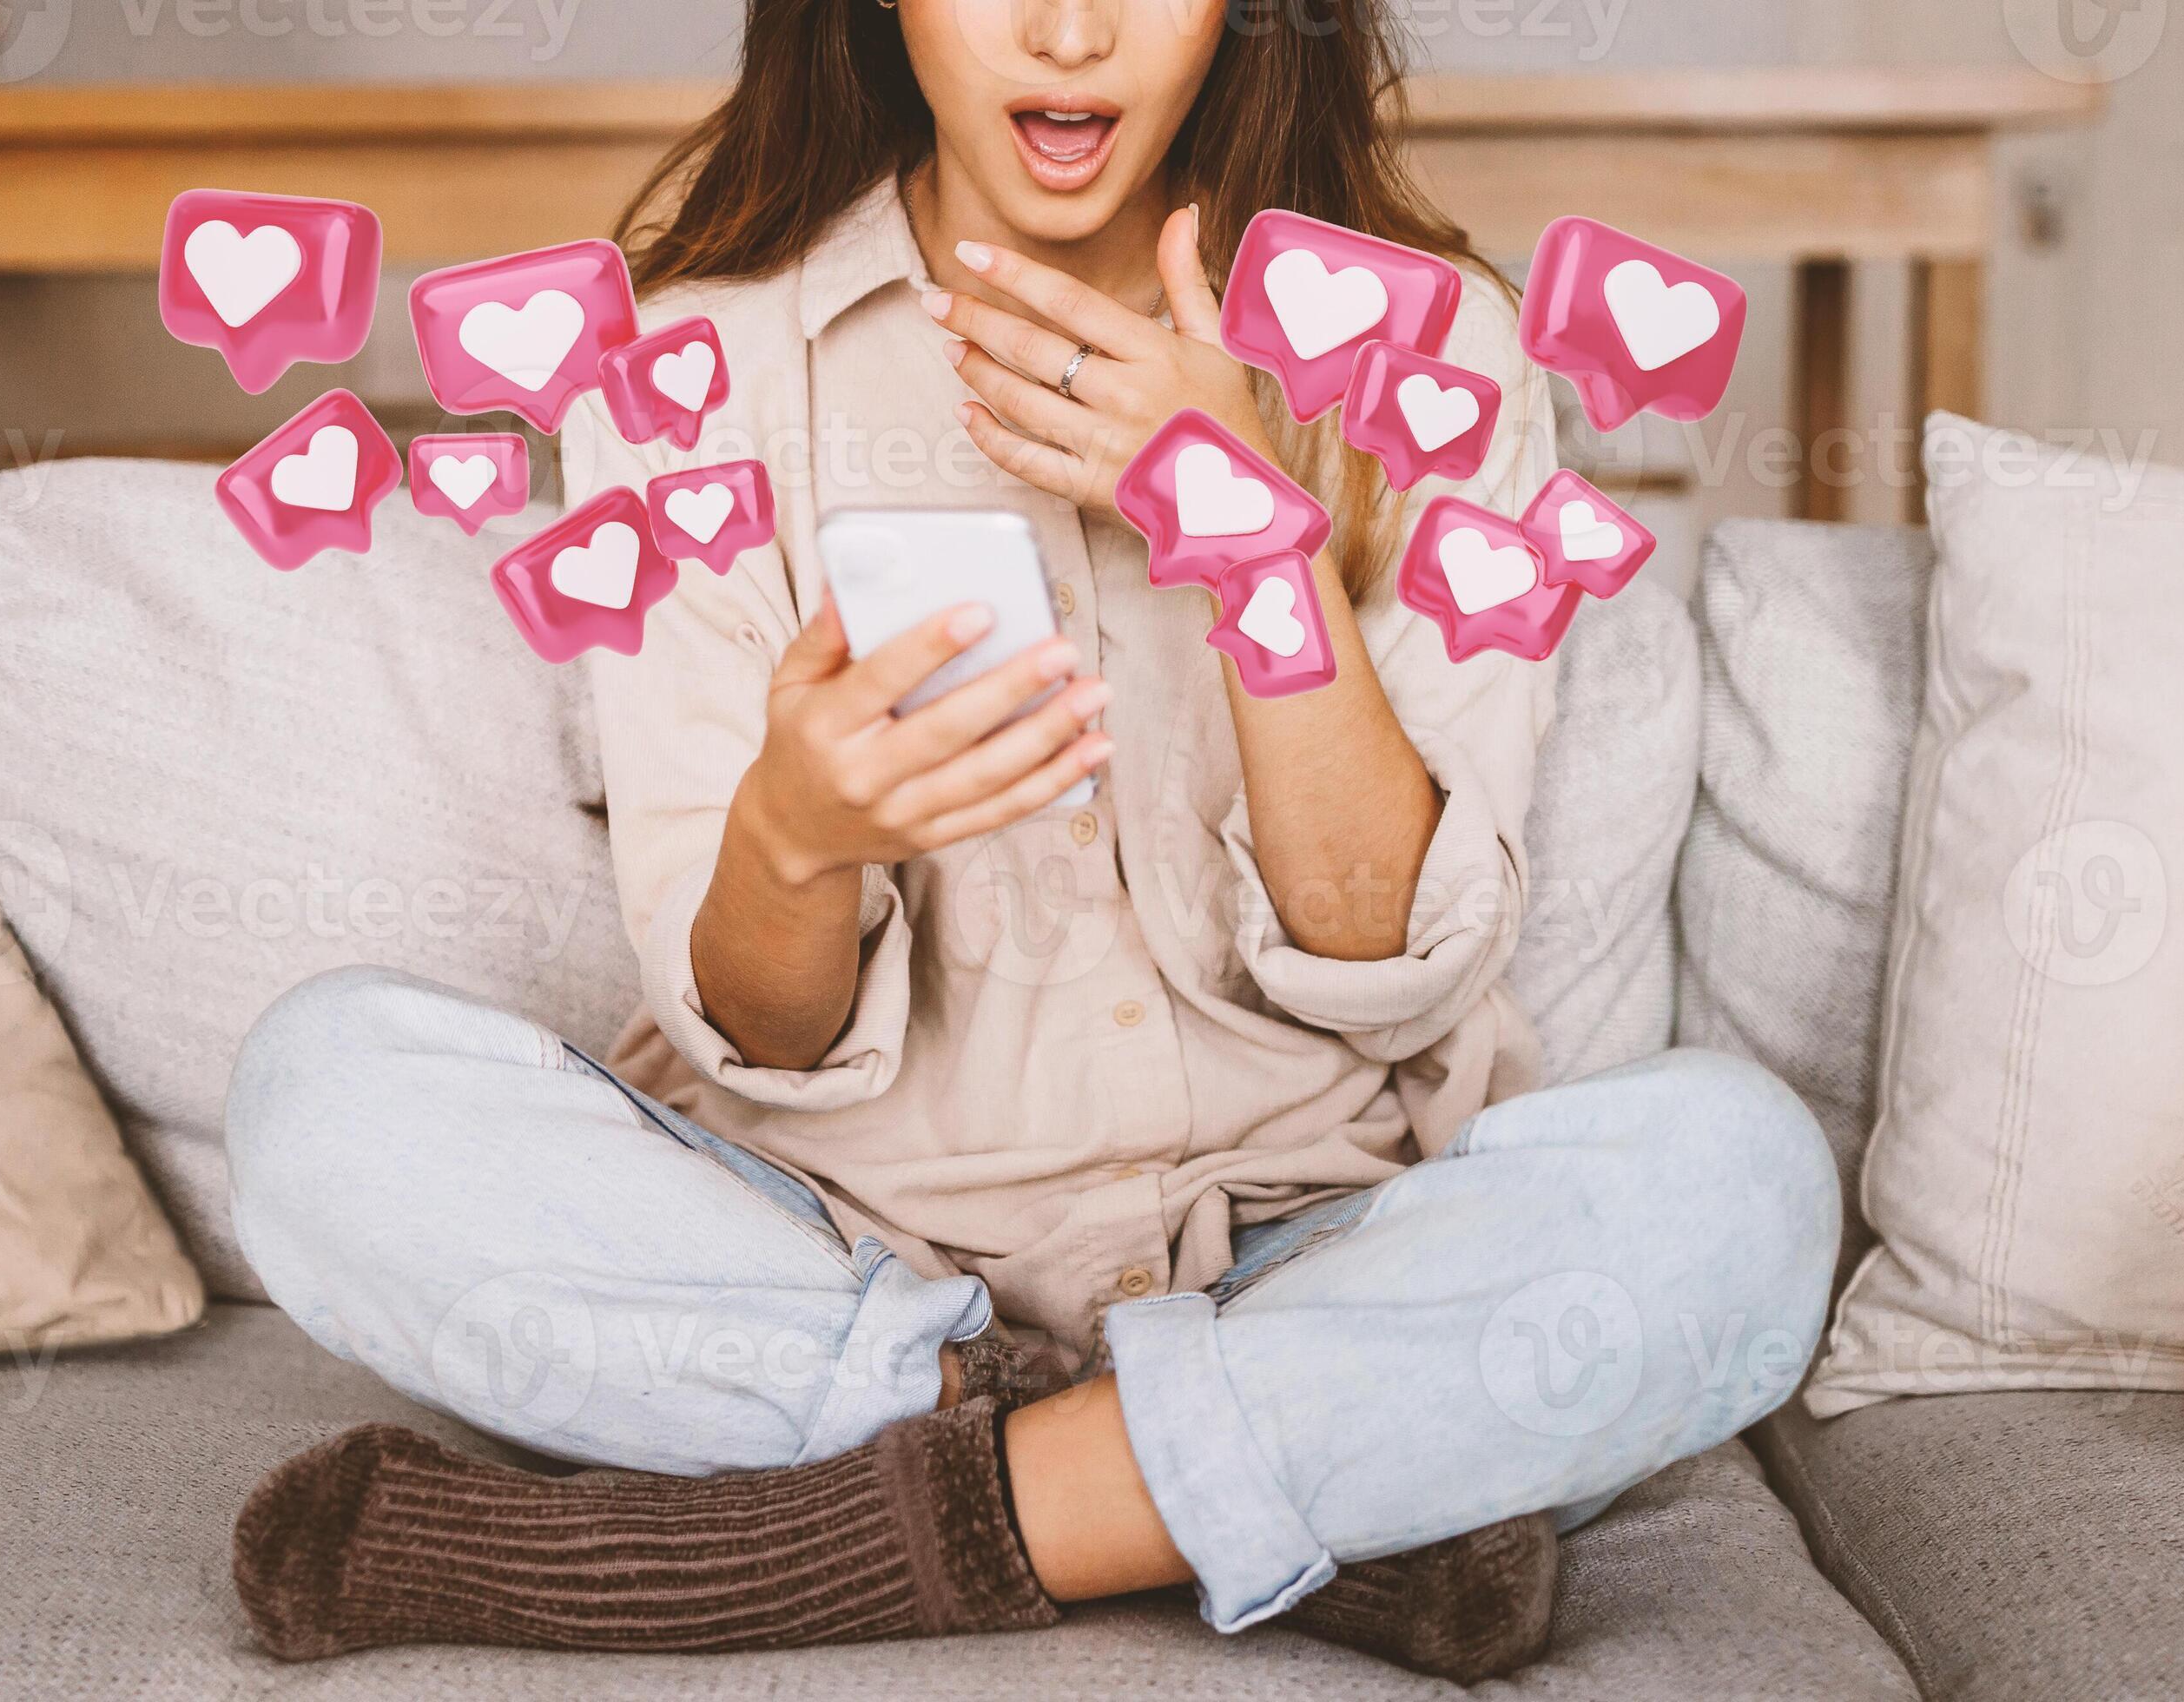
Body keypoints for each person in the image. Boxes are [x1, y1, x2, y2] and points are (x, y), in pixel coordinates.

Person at [219, 0, 1838, 1681]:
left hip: (1307, 1245)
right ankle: (1240, 1485)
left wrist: (1250, 547)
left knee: (1736, 1183)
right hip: (839, 1256)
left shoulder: (1428, 357)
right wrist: (791, 835)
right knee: (323, 1099)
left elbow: (1381, 957)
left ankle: (799, 1541)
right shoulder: (698, 367)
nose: (1069, 33)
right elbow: (762, 1038)